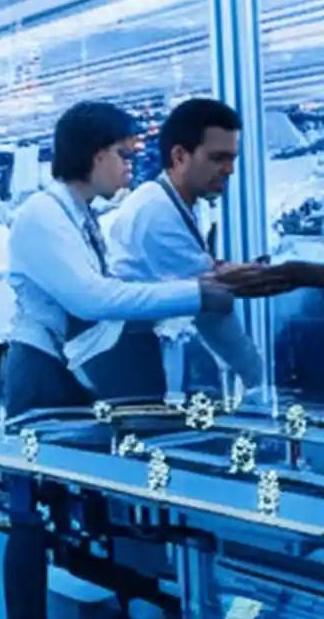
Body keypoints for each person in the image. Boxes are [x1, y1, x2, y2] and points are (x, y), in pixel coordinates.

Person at [0, 101, 239, 619]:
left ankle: (118, 602)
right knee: (29, 513)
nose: (130, 168)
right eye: (124, 156)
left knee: (72, 504)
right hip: (38, 375)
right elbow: (93, 298)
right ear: (95, 155)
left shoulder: (80, 214)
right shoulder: (42, 215)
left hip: (66, 370)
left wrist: (197, 286)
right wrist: (195, 293)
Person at [106, 98, 263, 402]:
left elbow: (197, 272)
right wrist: (257, 376)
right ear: (179, 156)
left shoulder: (170, 200)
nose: (229, 170)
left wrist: (223, 270)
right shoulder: (157, 213)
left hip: (137, 349)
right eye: (217, 158)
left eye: (232, 158)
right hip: (128, 359)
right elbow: (212, 305)